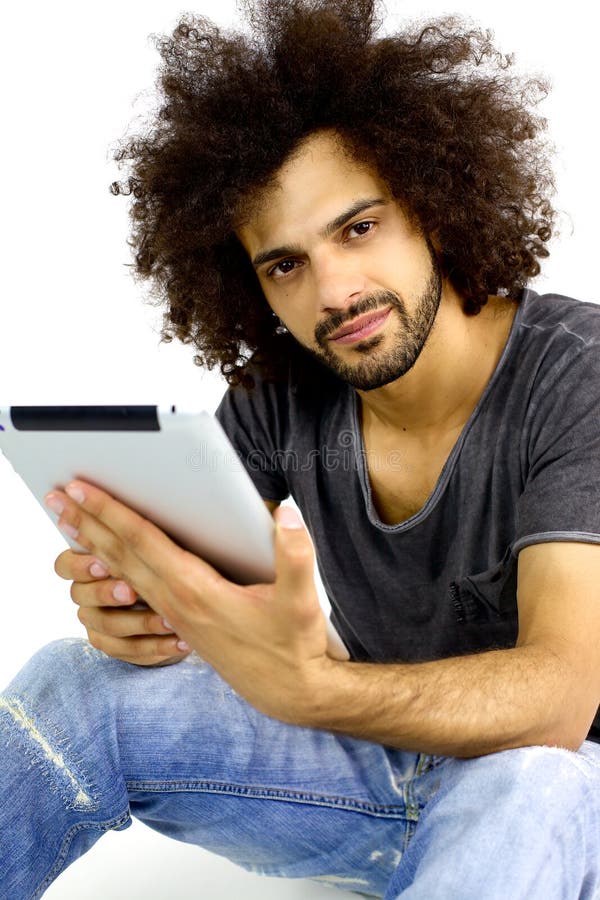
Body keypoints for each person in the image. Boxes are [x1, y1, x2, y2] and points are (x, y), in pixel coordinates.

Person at [2, 1, 600, 897]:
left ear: (434, 206)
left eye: (359, 228)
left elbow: (560, 701)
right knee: (72, 686)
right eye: (285, 264)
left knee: (532, 780)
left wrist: (313, 689)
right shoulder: (281, 394)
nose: (335, 291)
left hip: (564, 791)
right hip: (382, 766)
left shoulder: (577, 378)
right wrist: (142, 613)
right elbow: (220, 612)